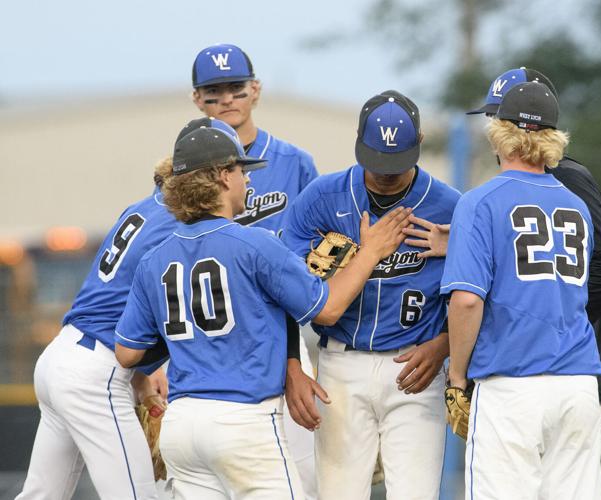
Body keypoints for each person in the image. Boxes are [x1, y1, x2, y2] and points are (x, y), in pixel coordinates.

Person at [114, 125, 411, 499]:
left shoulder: (154, 259)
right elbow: (329, 309)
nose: (247, 178)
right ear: (223, 177)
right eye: (241, 170)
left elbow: (127, 353)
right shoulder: (255, 244)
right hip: (243, 423)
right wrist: (370, 253)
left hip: (183, 425)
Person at [409, 67, 601, 419]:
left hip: (550, 367)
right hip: (567, 376)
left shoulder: (565, 177)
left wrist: (552, 323)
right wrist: (466, 246)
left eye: (498, 116)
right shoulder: (540, 185)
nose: (492, 128)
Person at [282, 90, 460, 500]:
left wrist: (445, 345)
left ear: (417, 149)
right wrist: (292, 364)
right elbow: (289, 292)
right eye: (377, 161)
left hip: (417, 368)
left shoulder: (451, 206)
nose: (385, 174)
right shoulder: (322, 198)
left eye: (396, 165)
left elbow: (483, 291)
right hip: (342, 364)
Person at [14, 128, 199, 498]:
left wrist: (144, 374)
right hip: (95, 371)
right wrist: (146, 369)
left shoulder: (144, 208)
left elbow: (125, 293)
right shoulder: (179, 226)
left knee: (40, 495)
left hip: (59, 358)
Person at [443, 81, 601, 499]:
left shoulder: (480, 202)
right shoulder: (576, 206)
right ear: (553, 137)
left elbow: (465, 300)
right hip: (579, 386)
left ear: (500, 132)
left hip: (513, 385)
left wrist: (458, 377)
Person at [190, 42, 322, 497]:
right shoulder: (187, 168)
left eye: (235, 88)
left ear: (256, 90)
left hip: (285, 321)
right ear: (196, 99)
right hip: (216, 333)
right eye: (213, 91)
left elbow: (319, 245)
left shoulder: (295, 163)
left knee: (300, 468)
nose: (226, 99)